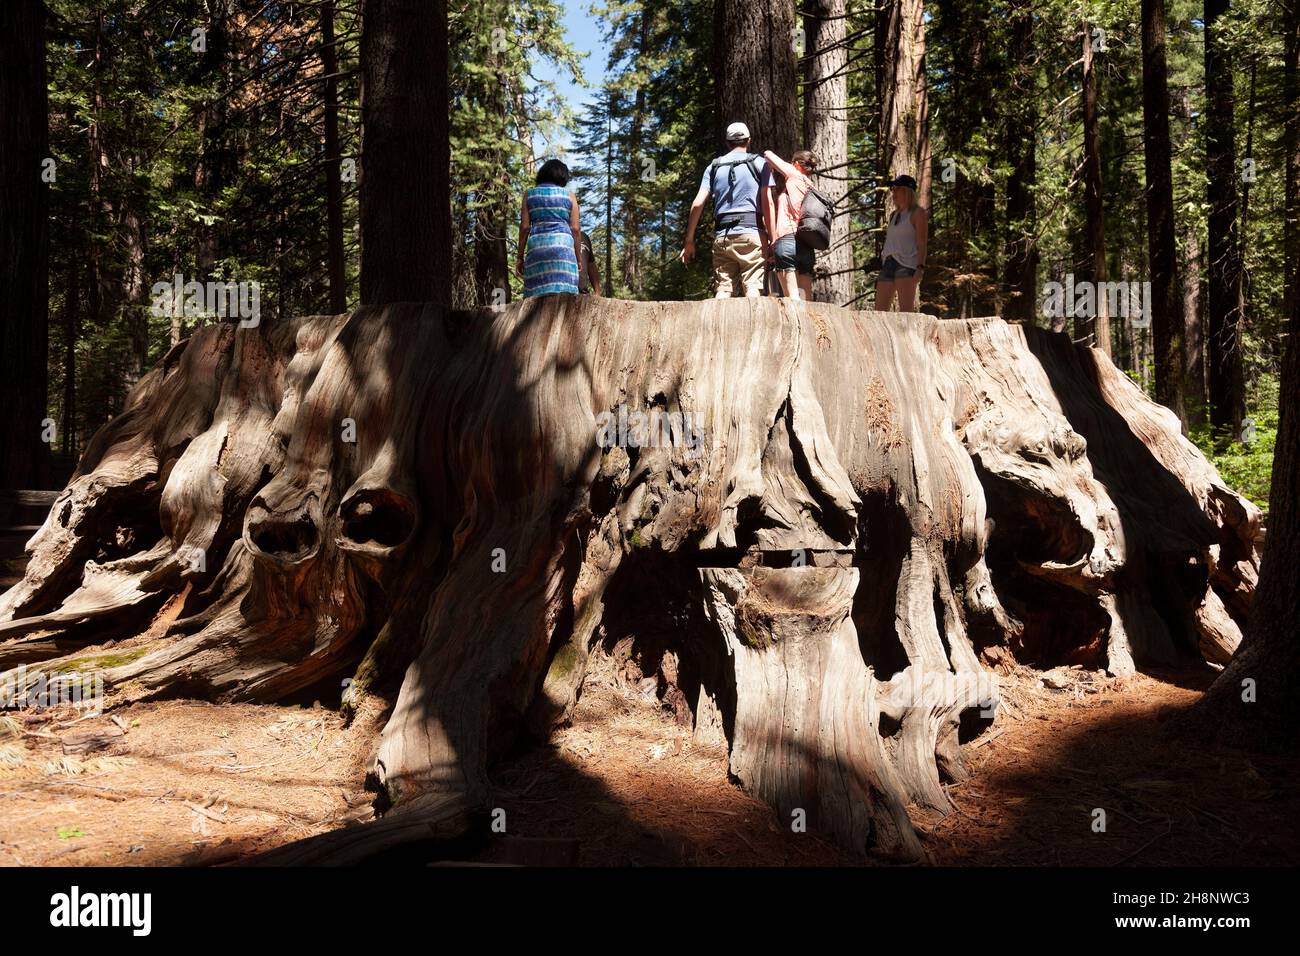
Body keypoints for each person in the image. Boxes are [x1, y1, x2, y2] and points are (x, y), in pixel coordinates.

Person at [680, 122, 771, 297]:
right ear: (749, 141)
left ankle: (718, 325)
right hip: (752, 234)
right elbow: (768, 202)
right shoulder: (760, 163)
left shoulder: (714, 167)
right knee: (752, 287)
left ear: (727, 143)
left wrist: (689, 241)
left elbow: (698, 204)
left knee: (723, 289)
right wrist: (773, 238)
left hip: (722, 236)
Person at [518, 159, 582, 297]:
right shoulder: (570, 196)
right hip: (563, 250)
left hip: (537, 249)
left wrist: (519, 257)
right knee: (566, 299)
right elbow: (575, 229)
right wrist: (578, 258)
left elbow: (524, 227)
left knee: (535, 299)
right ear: (563, 177)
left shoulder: (529, 195)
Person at [762, 148, 818, 301]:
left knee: (792, 298)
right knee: (805, 298)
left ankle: (796, 325)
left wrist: (772, 167)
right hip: (806, 243)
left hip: (787, 239)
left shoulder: (795, 175)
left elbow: (768, 154)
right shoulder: (812, 186)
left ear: (798, 165)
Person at [874, 174, 928, 312]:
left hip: (907, 265)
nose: (893, 192)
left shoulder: (918, 213)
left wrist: (920, 268)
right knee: (879, 313)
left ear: (907, 191)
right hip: (888, 264)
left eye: (897, 189)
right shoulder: (893, 215)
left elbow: (921, 243)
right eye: (893, 189)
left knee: (906, 313)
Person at [577, 230, 603, 296]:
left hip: (583, 294)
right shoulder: (558, 232)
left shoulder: (584, 237)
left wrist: (597, 293)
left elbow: (591, 266)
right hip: (564, 292)